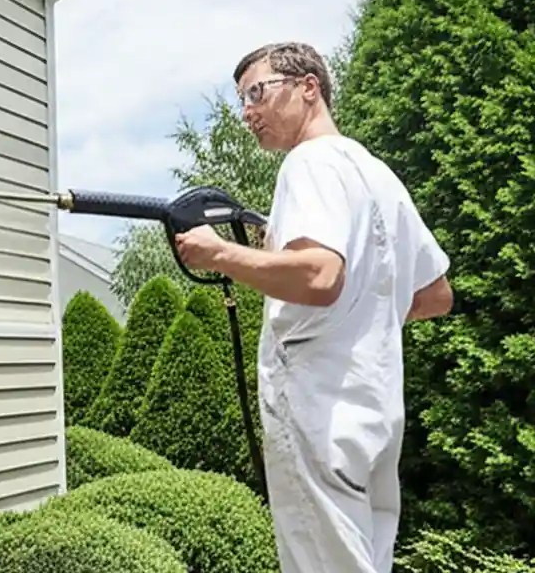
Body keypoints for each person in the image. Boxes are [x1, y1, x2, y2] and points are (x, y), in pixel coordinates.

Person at [173, 41, 454, 573]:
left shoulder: (309, 163)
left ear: (309, 88)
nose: (247, 113)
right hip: (374, 413)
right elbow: (434, 295)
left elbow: (321, 275)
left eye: (257, 92)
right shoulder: (378, 175)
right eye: (241, 101)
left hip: (318, 411)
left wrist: (221, 254)